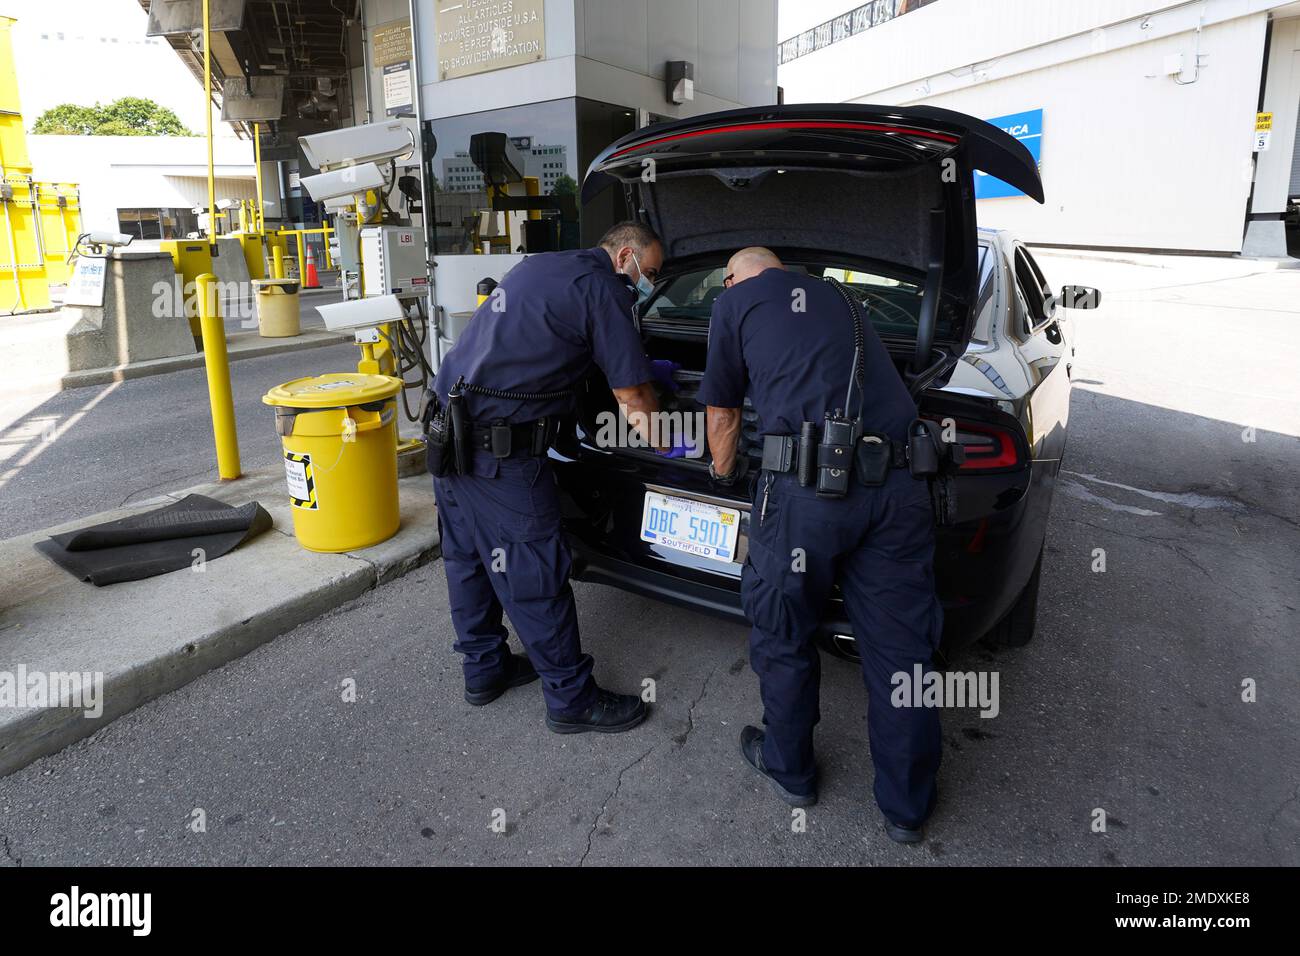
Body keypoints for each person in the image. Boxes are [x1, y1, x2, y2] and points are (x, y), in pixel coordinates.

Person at [696, 247, 944, 843]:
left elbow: (724, 412)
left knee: (782, 630)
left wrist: (724, 476)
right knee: (902, 650)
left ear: (734, 278)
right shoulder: (847, 300)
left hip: (805, 500)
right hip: (900, 489)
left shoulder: (734, 303)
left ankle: (791, 770)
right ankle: (907, 808)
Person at [431, 221, 679, 734]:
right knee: (535, 573)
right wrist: (673, 447)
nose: (648, 282)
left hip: (448, 434)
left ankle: (485, 670)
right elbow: (633, 399)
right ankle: (571, 699)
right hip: (501, 455)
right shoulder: (602, 289)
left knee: (468, 559)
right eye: (649, 272)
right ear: (625, 256)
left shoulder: (542, 265)